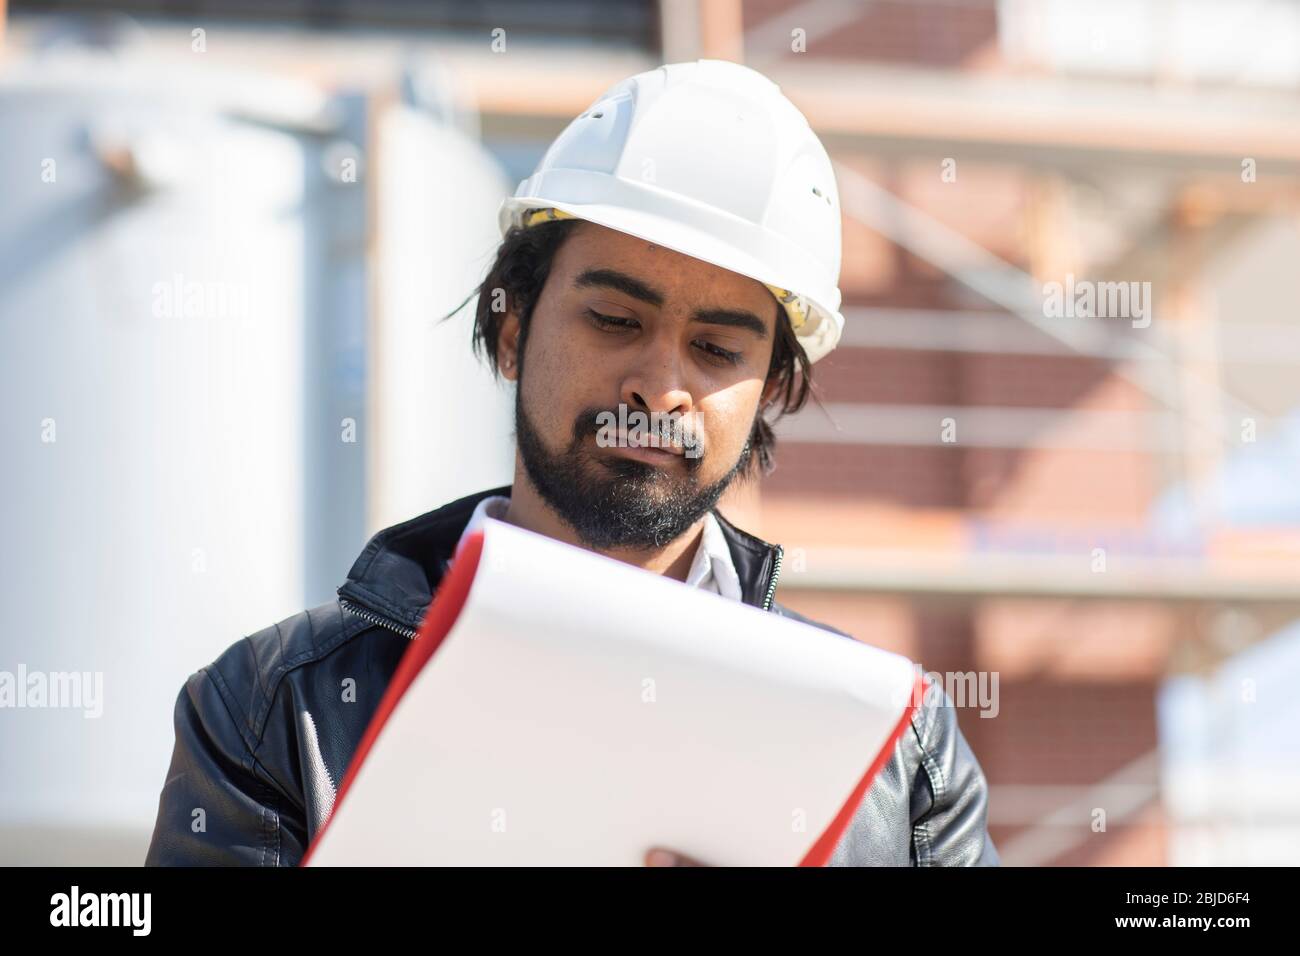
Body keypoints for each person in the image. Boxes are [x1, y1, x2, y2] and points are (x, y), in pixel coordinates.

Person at [145, 59, 998, 867]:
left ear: (770, 387)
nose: (660, 388)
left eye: (712, 348)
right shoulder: (271, 710)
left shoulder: (900, 751)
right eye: (615, 321)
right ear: (513, 330)